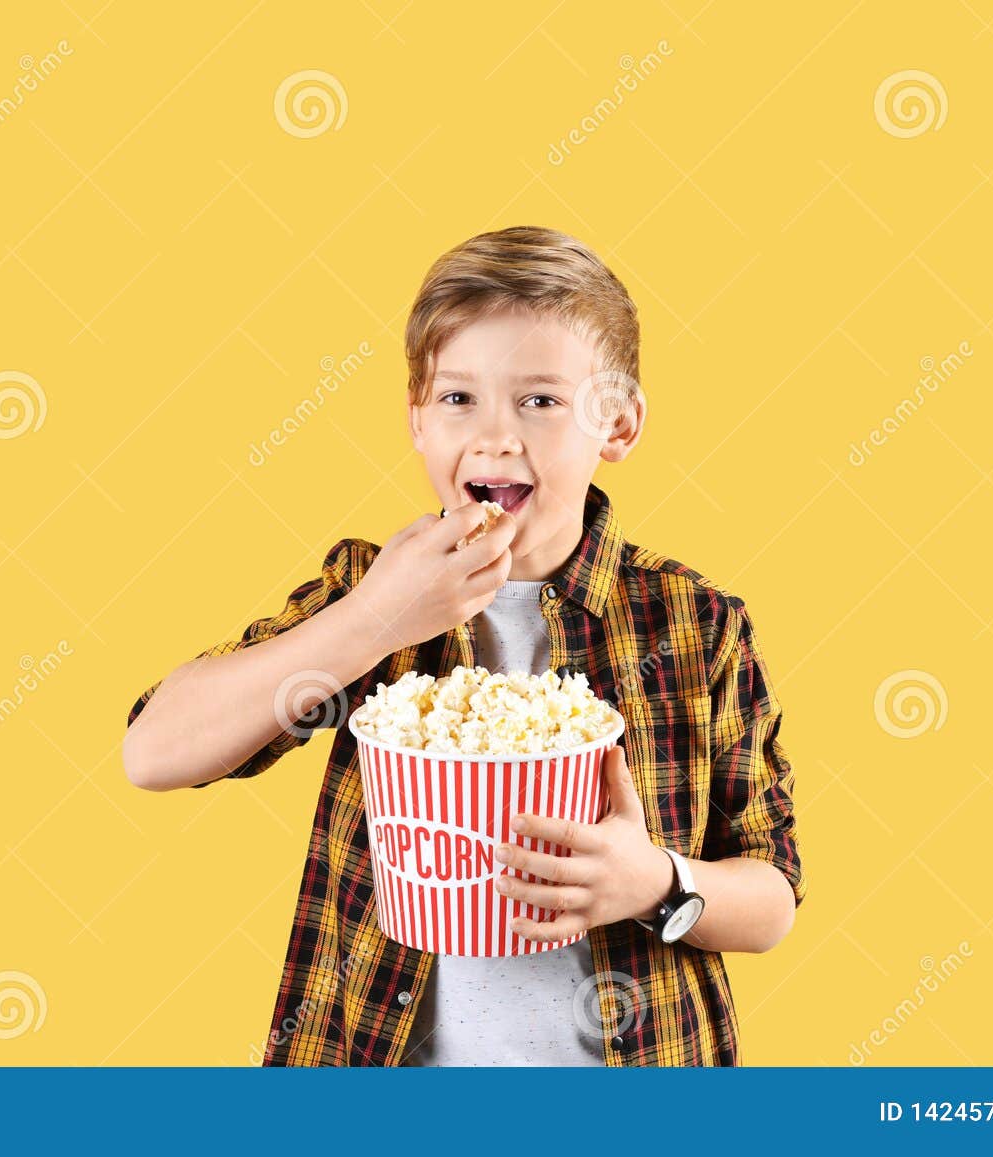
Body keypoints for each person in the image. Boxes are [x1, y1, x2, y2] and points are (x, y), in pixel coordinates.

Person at [122, 225, 805, 1065]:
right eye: (458, 398)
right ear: (417, 420)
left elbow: (773, 892)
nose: (495, 436)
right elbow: (153, 751)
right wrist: (377, 617)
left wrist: (657, 883)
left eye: (540, 400)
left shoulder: (694, 624)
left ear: (619, 423)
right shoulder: (369, 591)